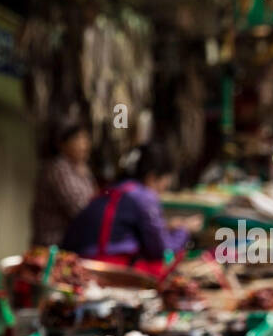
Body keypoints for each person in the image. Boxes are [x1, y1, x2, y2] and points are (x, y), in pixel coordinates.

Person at [61, 142, 190, 278]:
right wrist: (183, 230)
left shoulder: (113, 189)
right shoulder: (144, 196)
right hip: (113, 269)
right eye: (165, 183)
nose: (163, 190)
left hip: (79, 264)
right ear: (152, 177)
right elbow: (162, 250)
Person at [31, 115, 97, 248]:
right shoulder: (58, 169)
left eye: (85, 138)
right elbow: (80, 209)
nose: (84, 144)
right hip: (53, 247)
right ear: (61, 143)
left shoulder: (78, 167)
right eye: (78, 138)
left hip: (69, 245)